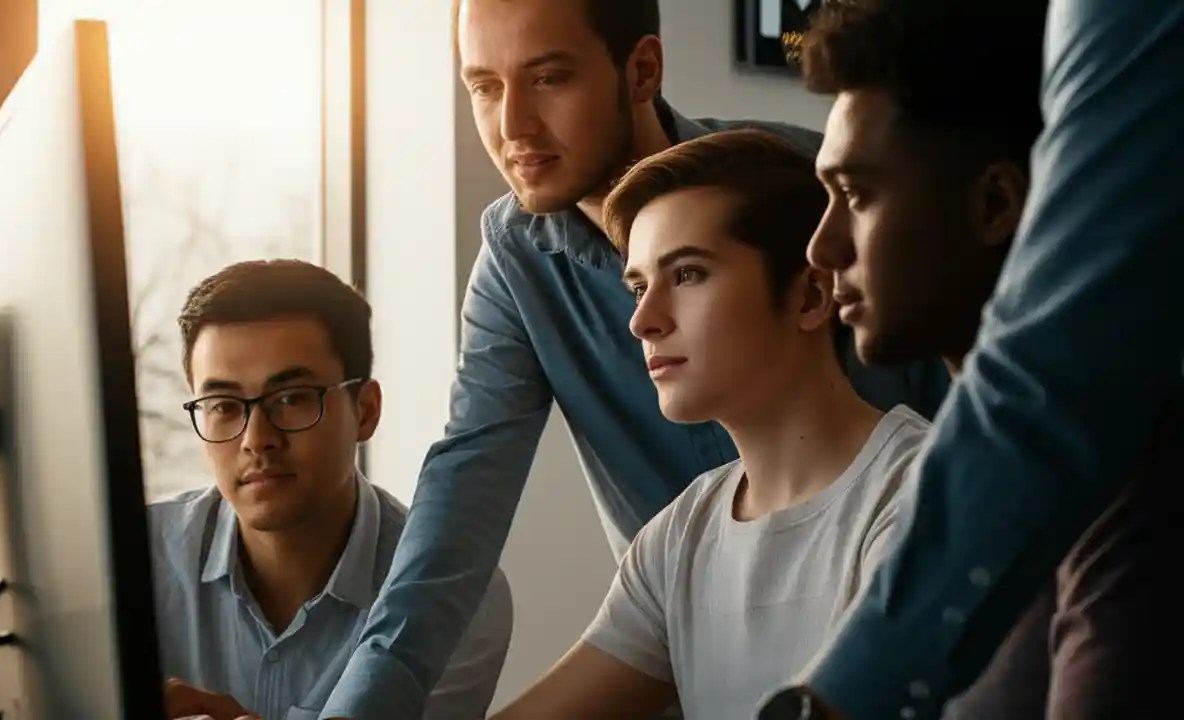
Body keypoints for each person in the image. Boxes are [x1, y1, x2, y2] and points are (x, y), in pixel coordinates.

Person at [322, 2, 949, 715]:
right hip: (678, 646)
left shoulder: (816, 188)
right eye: (484, 88)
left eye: (549, 78)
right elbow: (458, 508)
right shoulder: (674, 544)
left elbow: (974, 370)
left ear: (642, 68)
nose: (514, 127)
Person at [756, 1, 1184, 718]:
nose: (821, 251)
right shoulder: (940, 496)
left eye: (856, 196)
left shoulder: (1132, 497)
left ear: (996, 204)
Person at [491, 128, 930, 719]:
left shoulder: (919, 498)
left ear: (810, 296)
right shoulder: (679, 537)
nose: (643, 321)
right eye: (640, 286)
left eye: (689, 275)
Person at [147, 260, 513, 720]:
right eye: (223, 405)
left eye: (292, 399)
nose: (256, 438)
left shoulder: (456, 595)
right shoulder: (132, 567)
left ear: (365, 410)